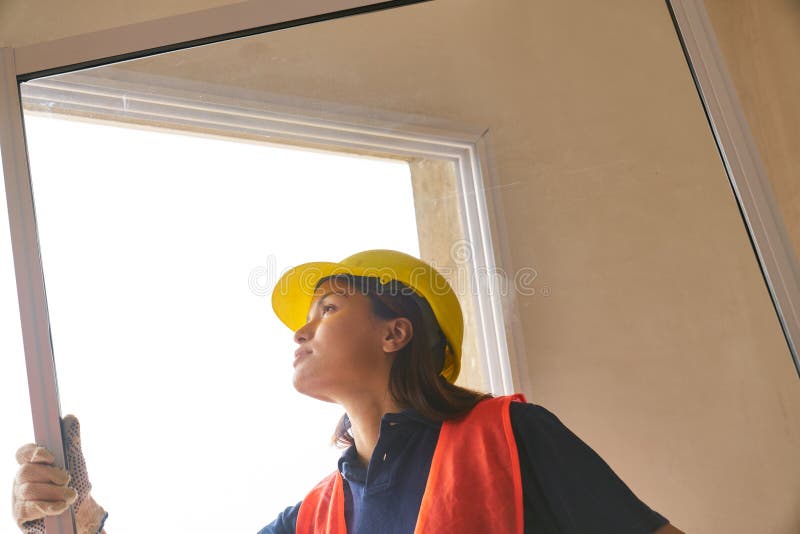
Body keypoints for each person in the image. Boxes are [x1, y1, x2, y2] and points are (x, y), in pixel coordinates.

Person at [12, 249, 684, 533]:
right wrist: (81, 517)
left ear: (396, 334)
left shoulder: (512, 436)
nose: (301, 332)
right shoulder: (319, 514)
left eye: (328, 308)